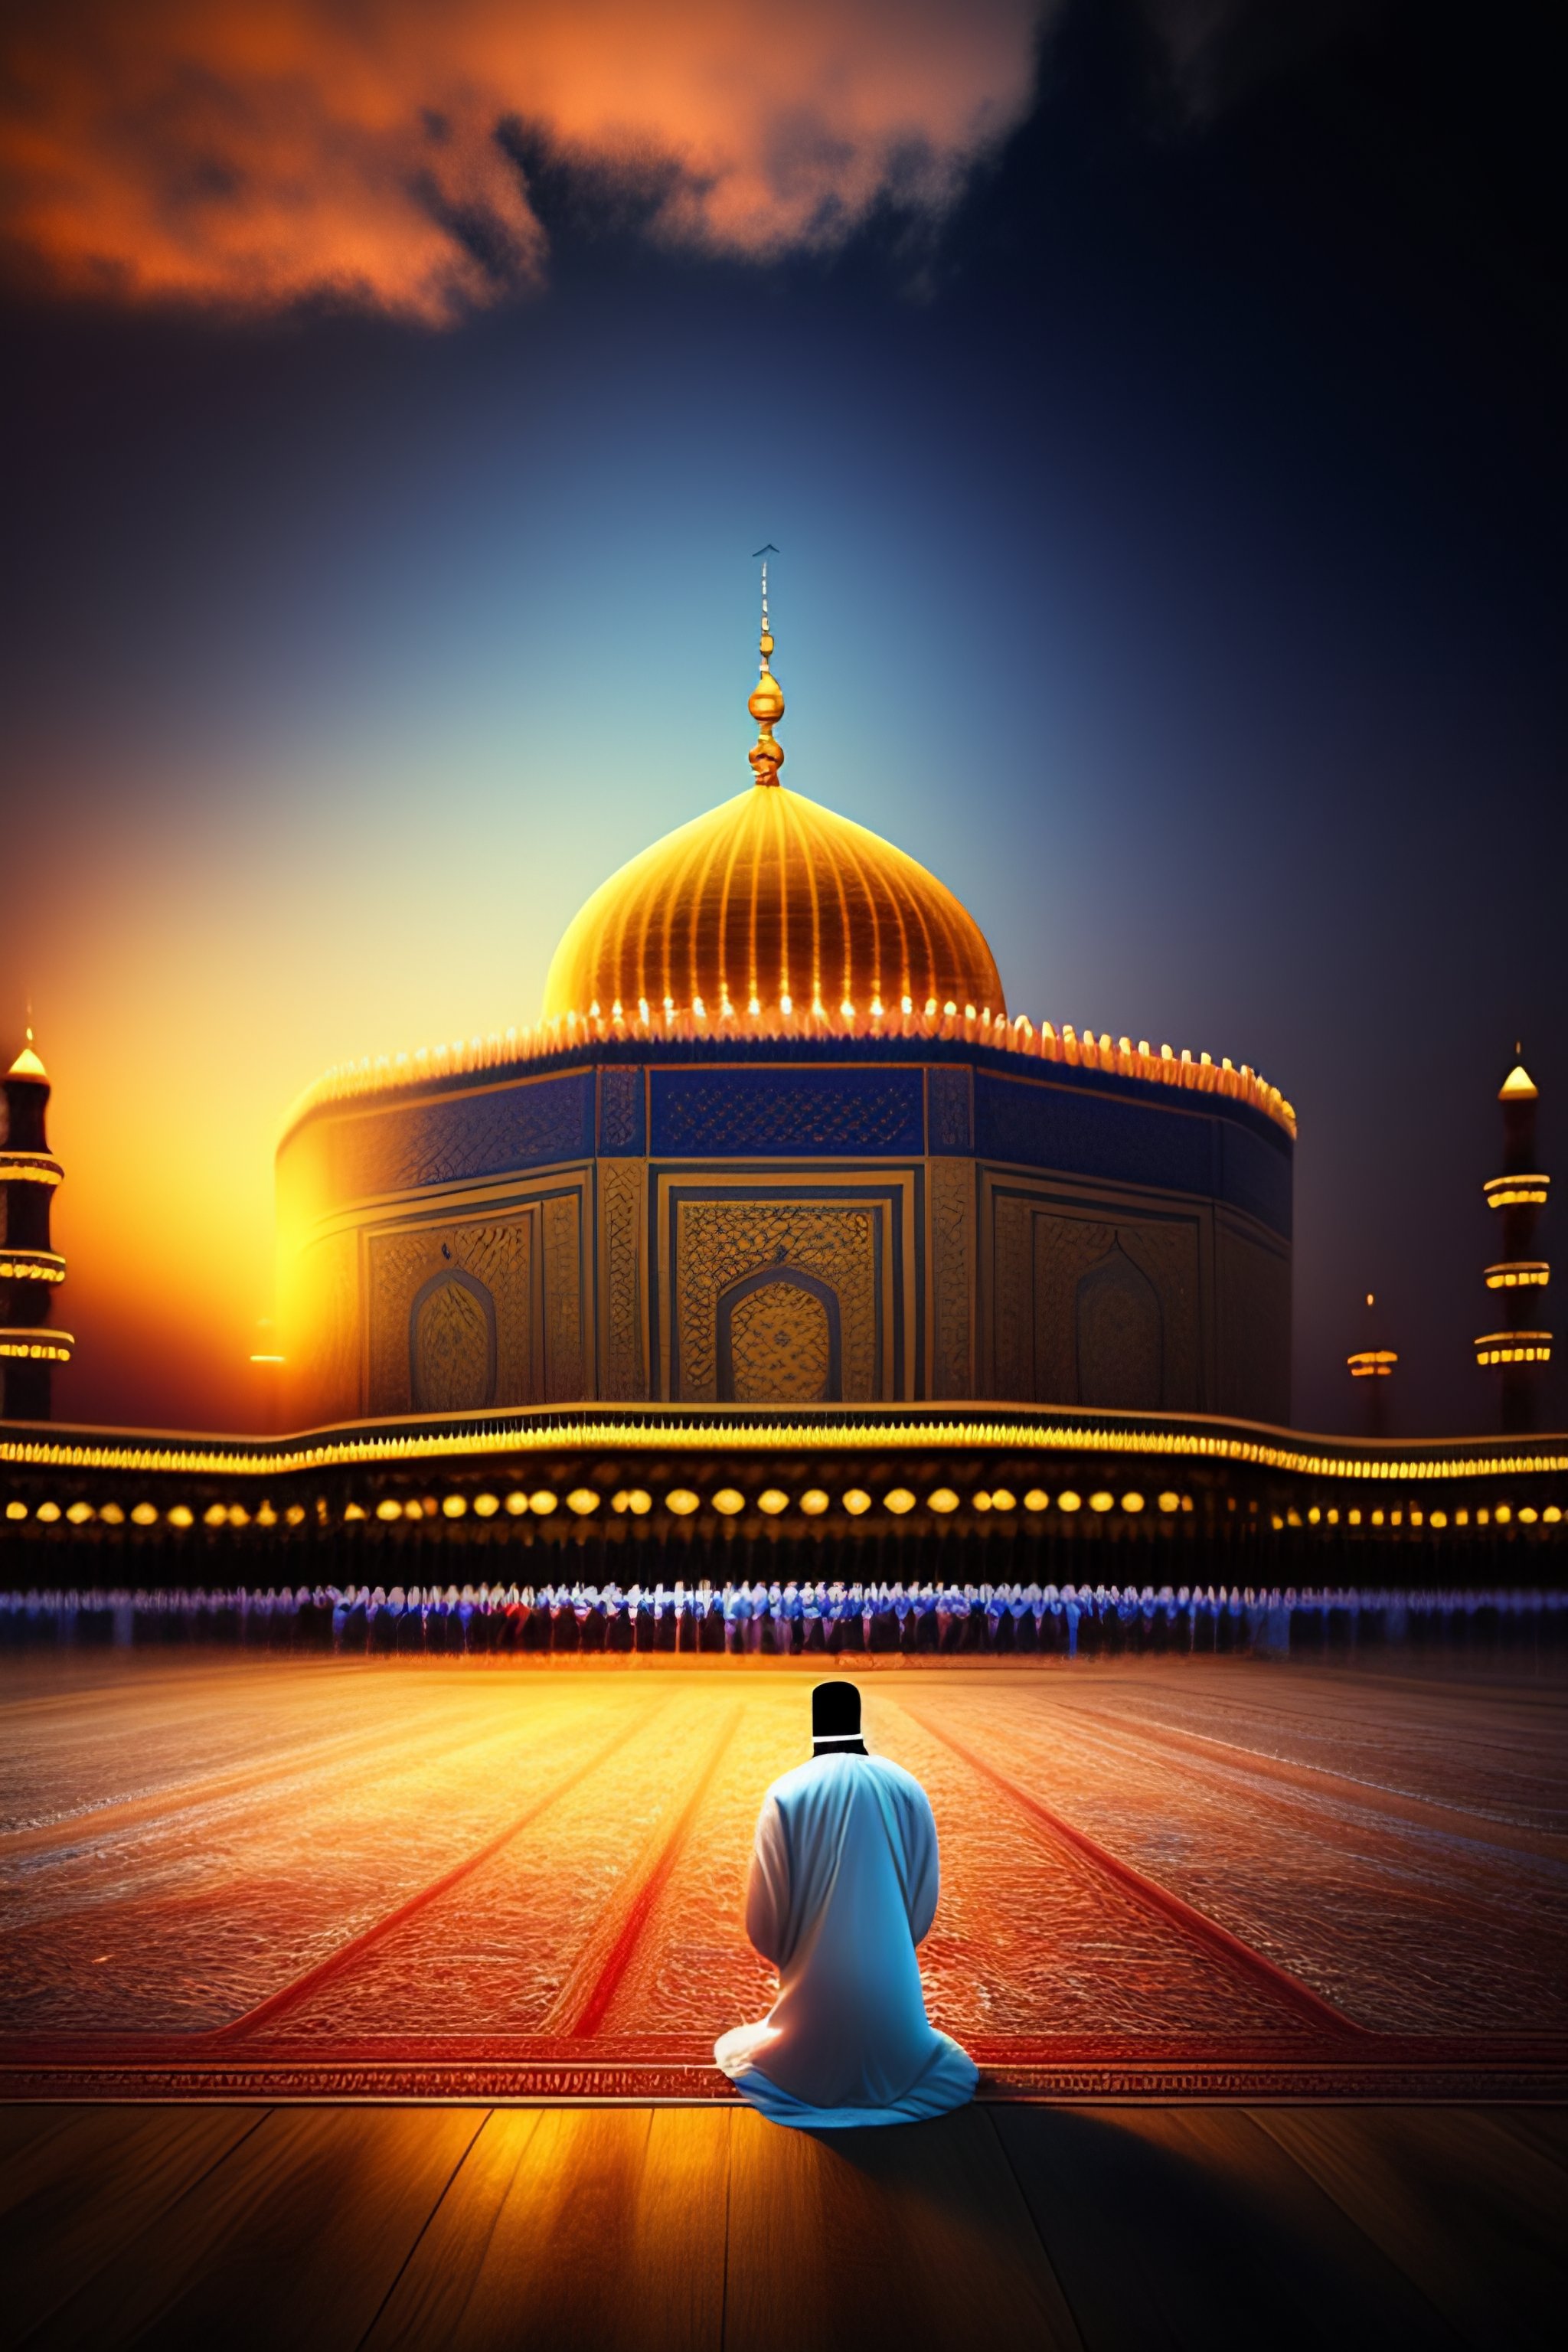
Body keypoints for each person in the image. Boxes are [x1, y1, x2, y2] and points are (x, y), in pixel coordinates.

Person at [714, 1681, 976, 2128]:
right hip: (894, 2001)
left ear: (815, 1722)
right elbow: (922, 1903)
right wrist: (888, 1941)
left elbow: (765, 1922)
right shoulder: (906, 1786)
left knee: (772, 2051)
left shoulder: (787, 1791)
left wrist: (799, 1957)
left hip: (807, 2013)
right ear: (856, 1720)